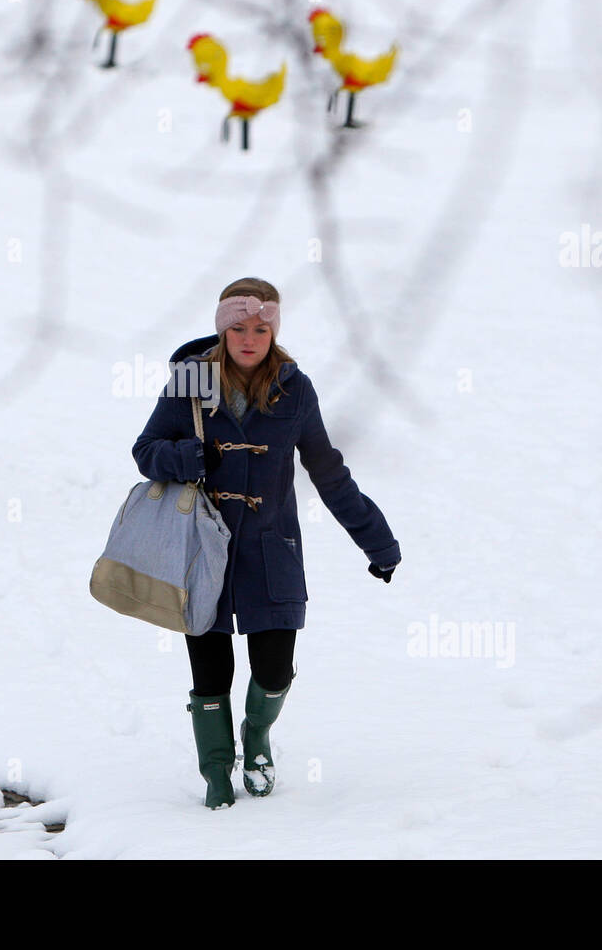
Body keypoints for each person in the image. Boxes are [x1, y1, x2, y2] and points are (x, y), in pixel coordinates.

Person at [131, 277, 401, 809]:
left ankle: (256, 738)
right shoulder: (191, 381)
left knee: (274, 667)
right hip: (201, 552)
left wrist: (378, 541)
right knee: (212, 670)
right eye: (238, 327)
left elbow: (328, 471)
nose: (250, 338)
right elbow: (146, 450)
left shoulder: (293, 388)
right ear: (222, 328)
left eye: (260, 328)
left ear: (273, 330)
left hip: (272, 550)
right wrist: (186, 459)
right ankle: (215, 770)